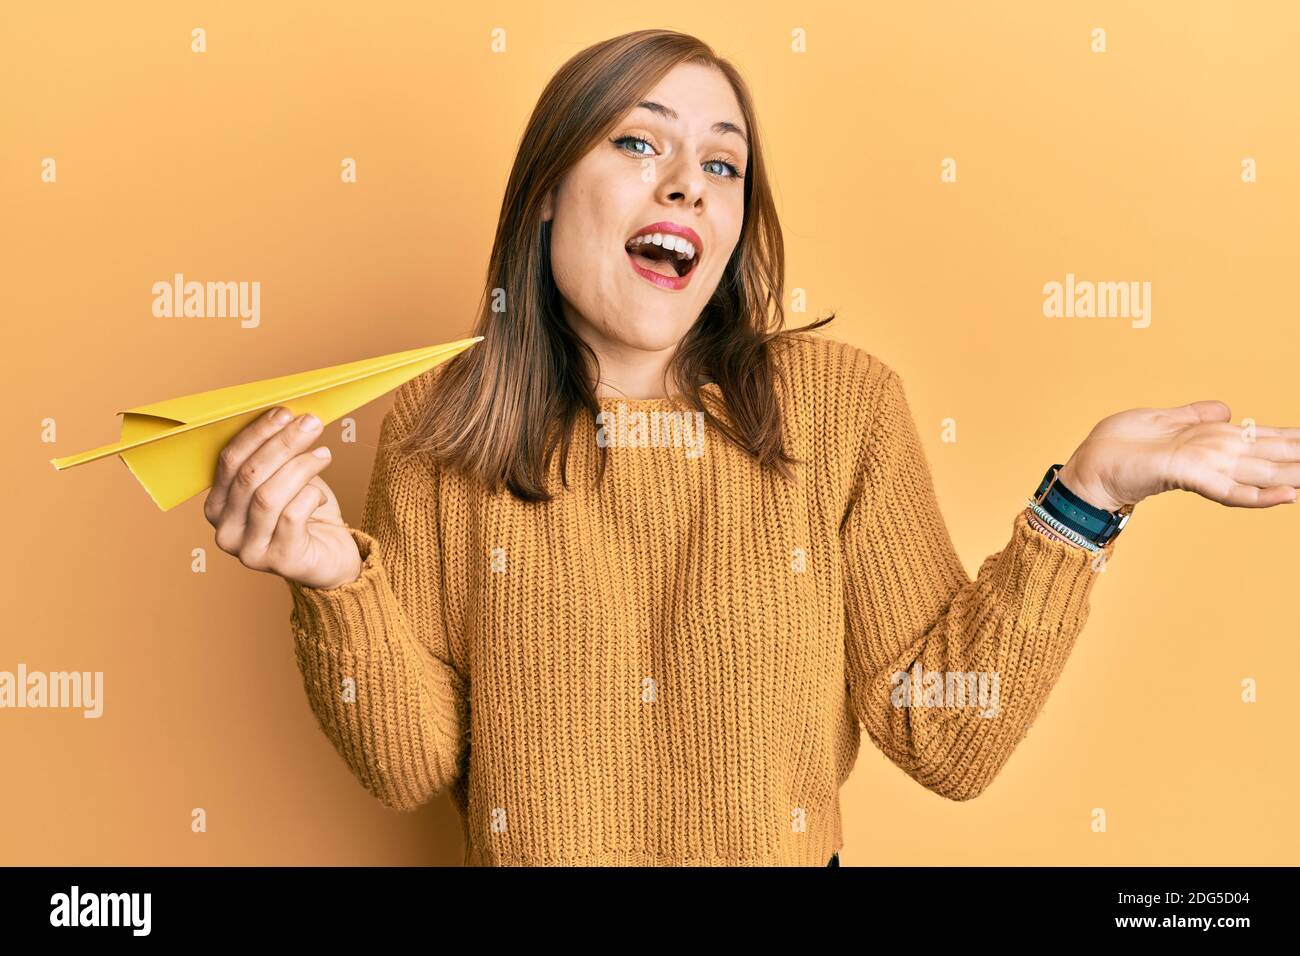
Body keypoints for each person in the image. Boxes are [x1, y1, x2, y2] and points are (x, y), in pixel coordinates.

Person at [203, 29, 1300, 867]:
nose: (686, 182)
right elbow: (412, 766)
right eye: (638, 142)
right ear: (544, 195)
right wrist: (335, 582)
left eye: (720, 165)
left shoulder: (841, 410)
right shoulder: (438, 431)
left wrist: (1083, 501)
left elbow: (944, 738)